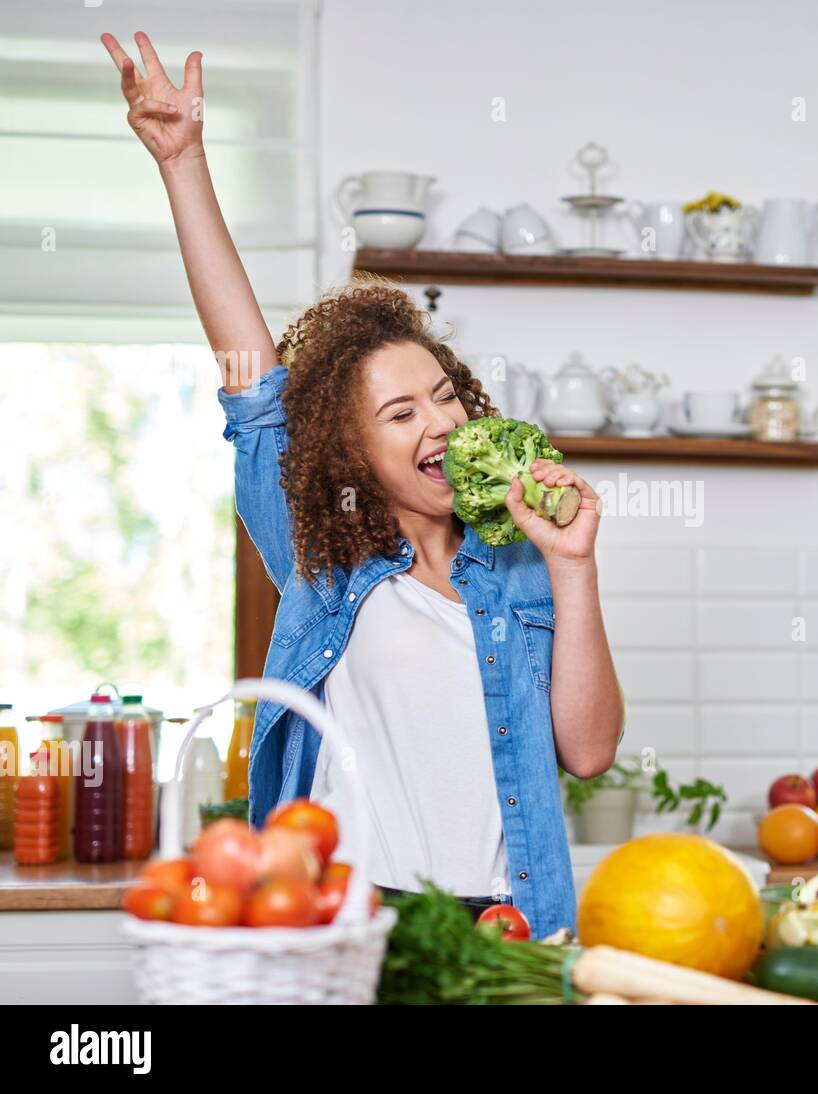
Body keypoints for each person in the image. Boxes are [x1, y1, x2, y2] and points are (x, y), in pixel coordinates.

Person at [100, 31, 624, 936]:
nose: (442, 423)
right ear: (350, 456)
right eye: (400, 414)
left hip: (514, 926)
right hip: (351, 926)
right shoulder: (320, 553)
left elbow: (590, 749)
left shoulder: (520, 565)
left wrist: (573, 565)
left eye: (446, 395)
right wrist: (182, 161)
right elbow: (252, 385)